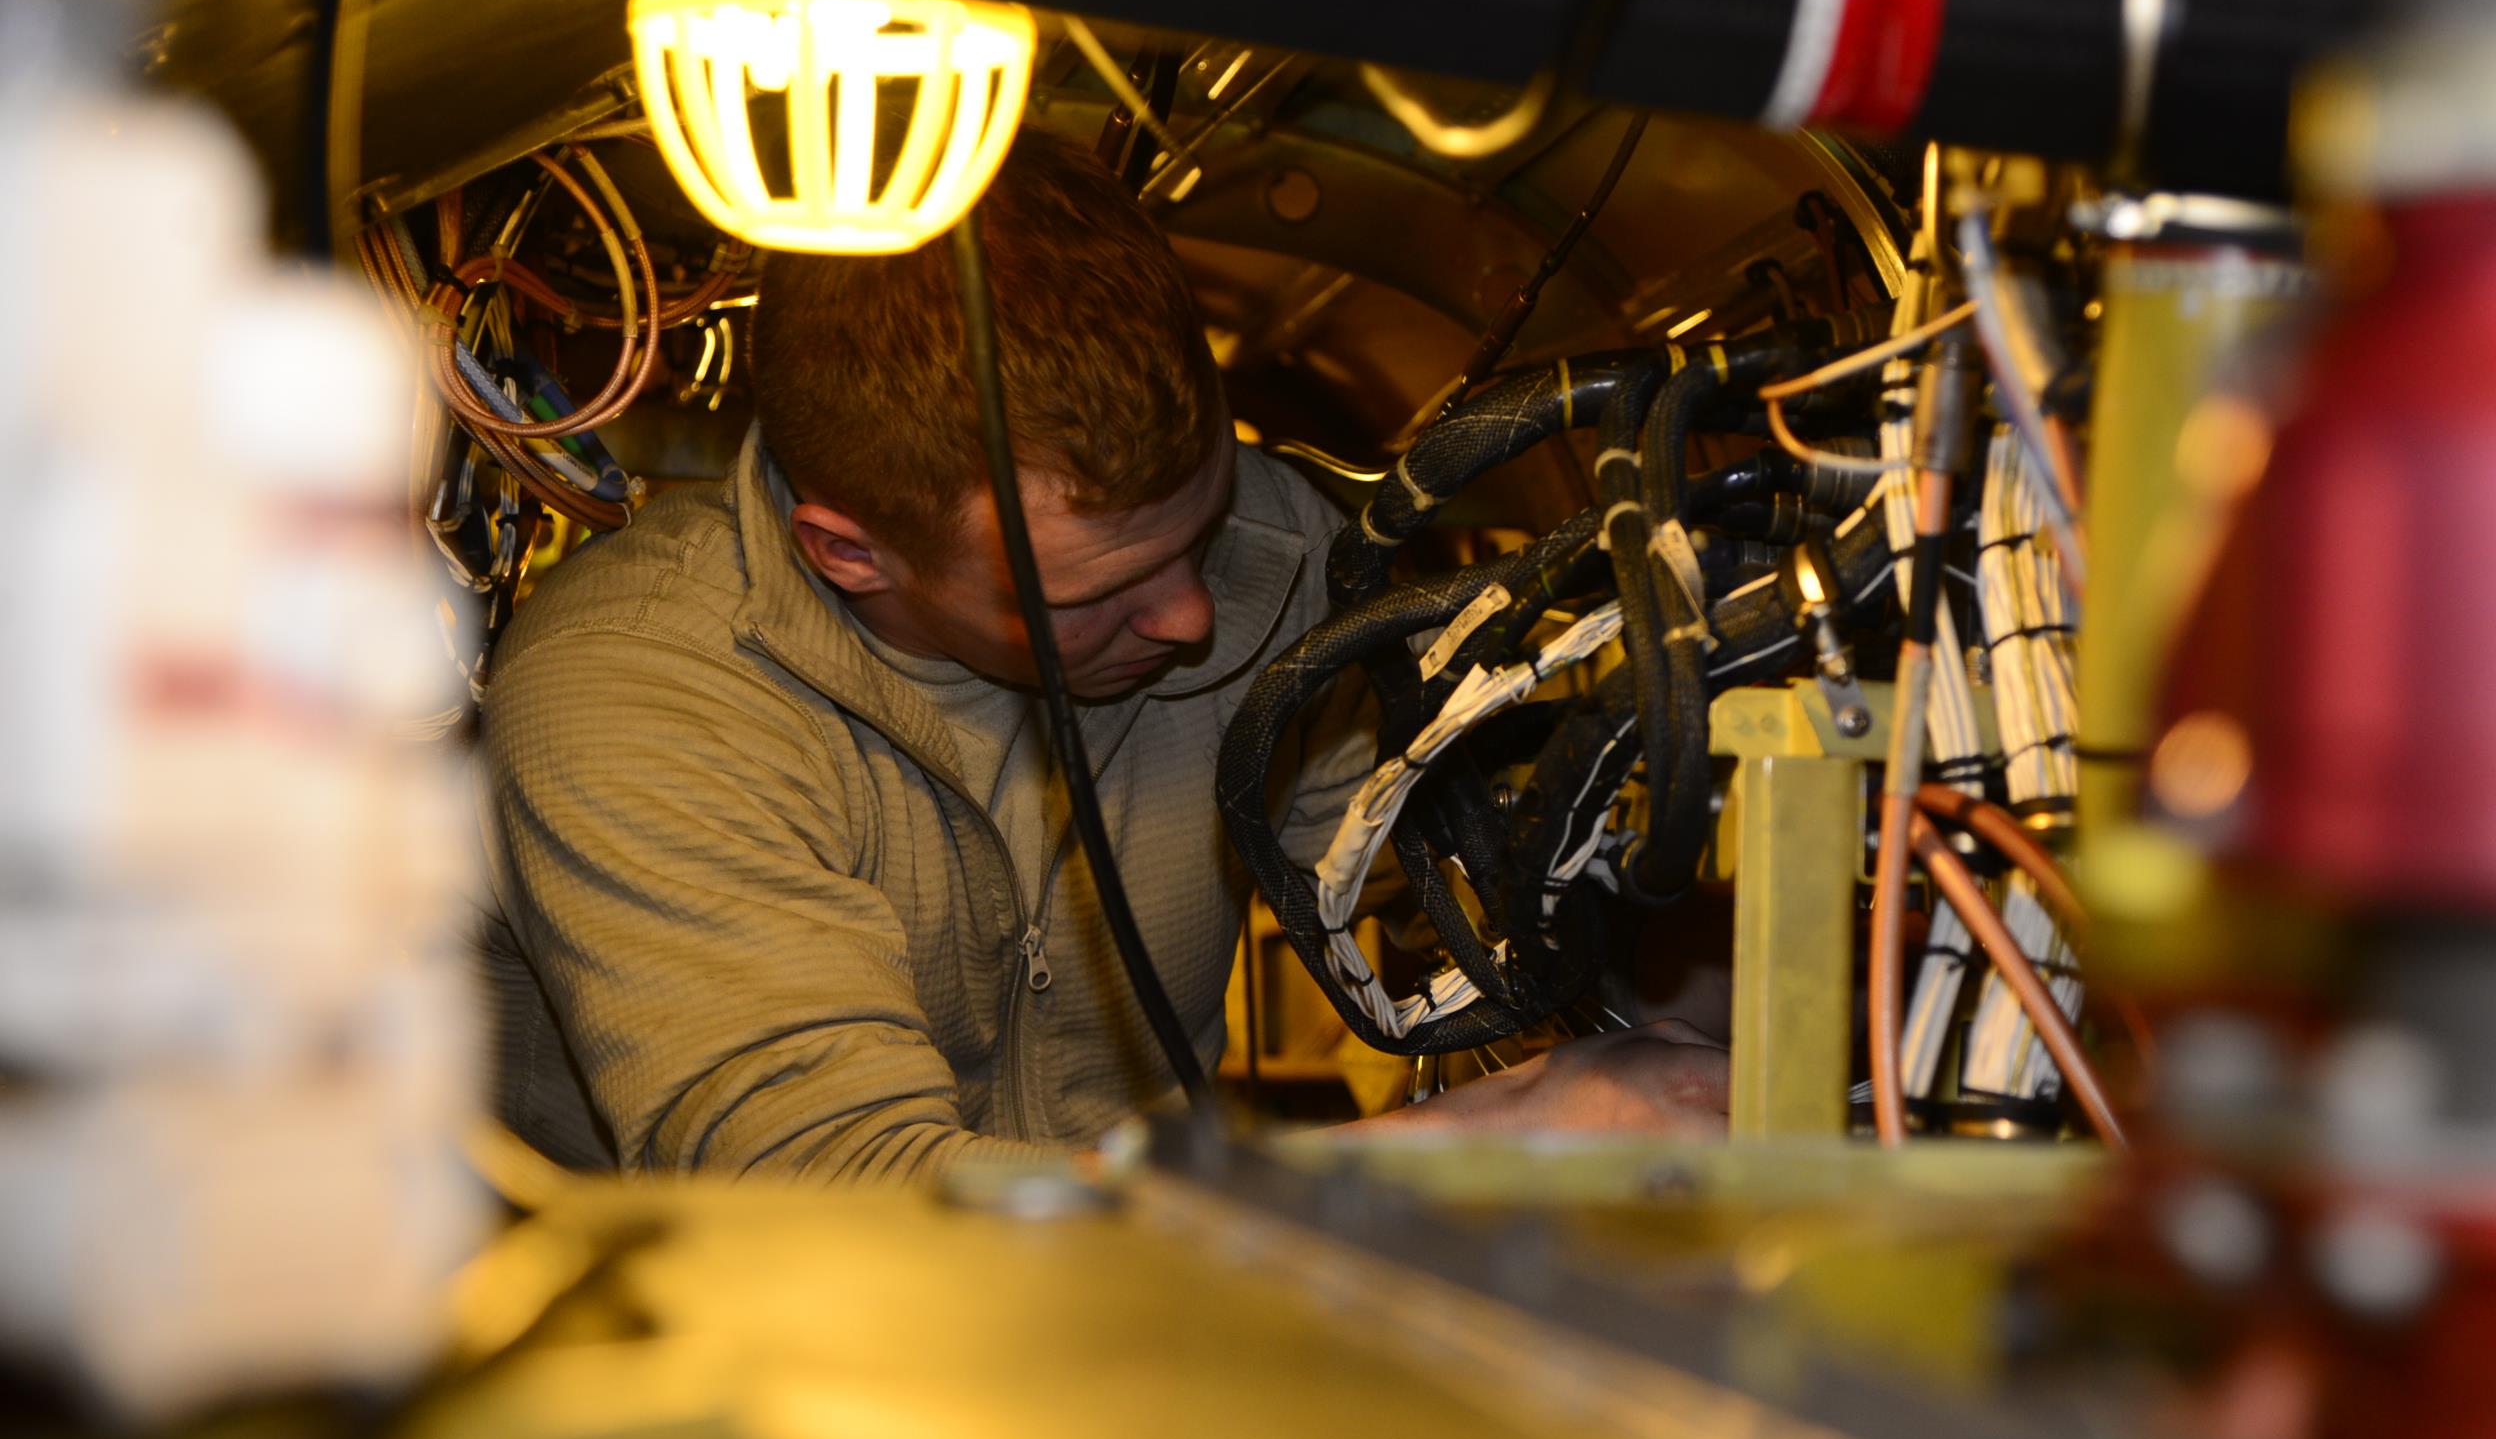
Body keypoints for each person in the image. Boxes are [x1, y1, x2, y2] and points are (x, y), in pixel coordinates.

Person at [479, 130, 1725, 1182]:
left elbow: (1466, 884)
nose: (1191, 619)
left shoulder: (1275, 552)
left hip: (1137, 1348)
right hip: (737, 1398)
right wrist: (1489, 1138)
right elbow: (835, 1193)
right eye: (1101, 591)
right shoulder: (634, 691)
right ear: (849, 554)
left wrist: (1721, 993)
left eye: (1202, 530)